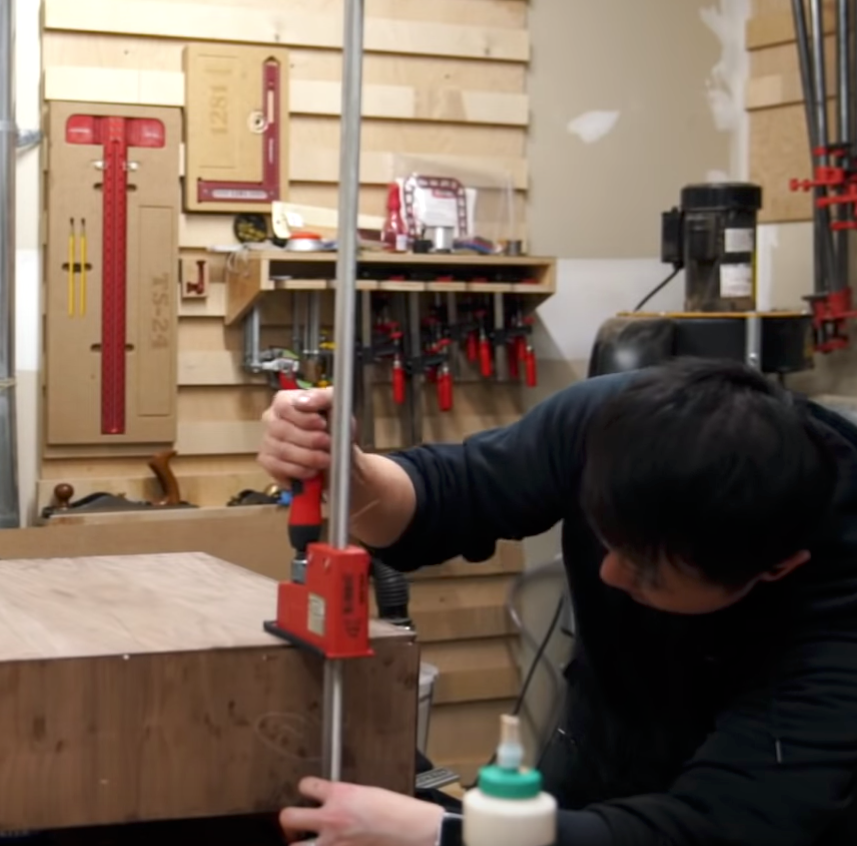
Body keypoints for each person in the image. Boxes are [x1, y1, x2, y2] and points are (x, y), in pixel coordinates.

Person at [255, 358, 857, 846]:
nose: (607, 572)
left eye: (650, 573)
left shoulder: (841, 611)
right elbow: (454, 493)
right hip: (597, 762)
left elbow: (718, 827)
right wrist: (347, 470)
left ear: (777, 568)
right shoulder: (610, 424)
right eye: (608, 537)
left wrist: (440, 835)